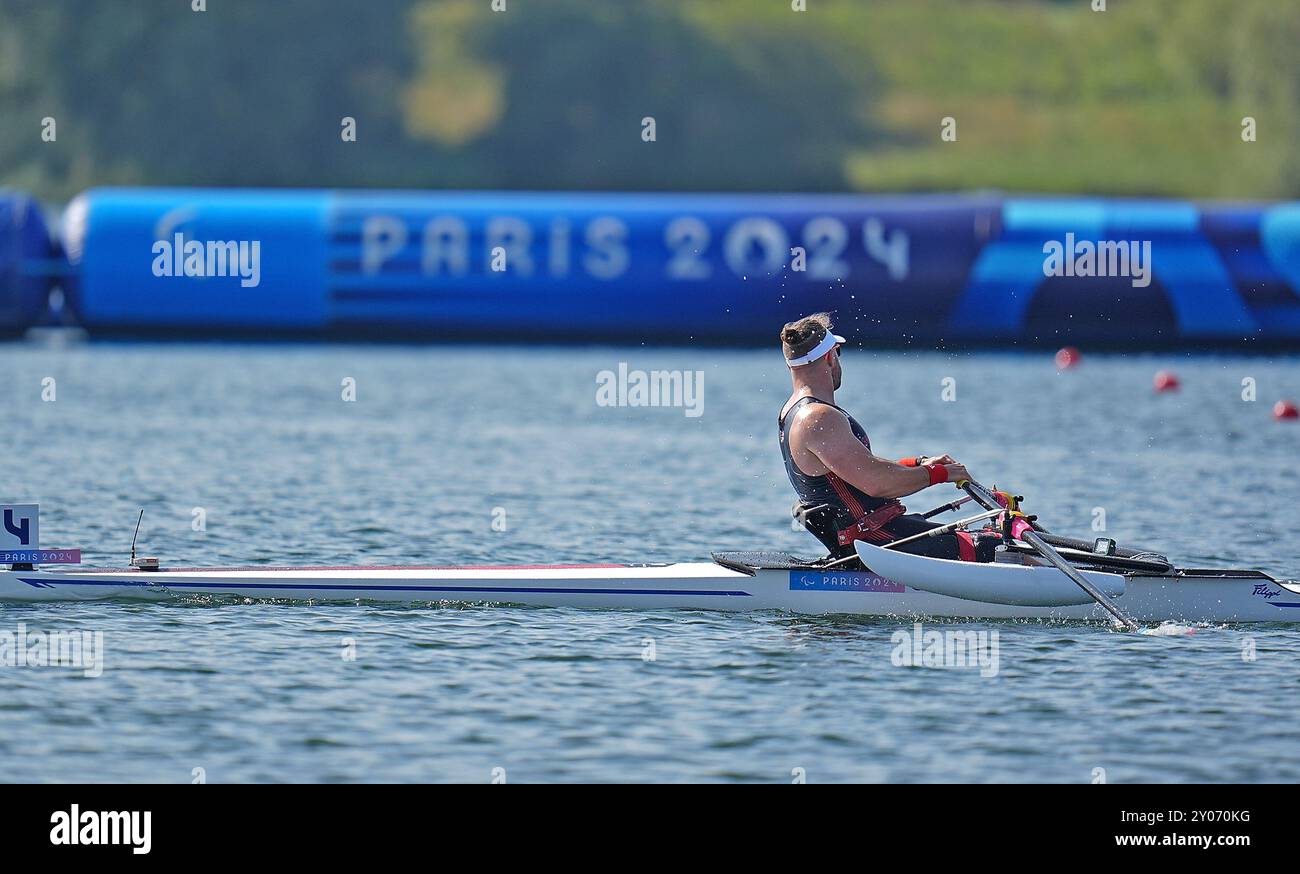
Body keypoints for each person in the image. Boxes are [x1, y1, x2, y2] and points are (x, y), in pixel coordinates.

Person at [778, 313, 996, 563]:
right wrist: (941, 474)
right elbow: (876, 483)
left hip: (872, 537)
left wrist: (919, 465)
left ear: (789, 365)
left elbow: (856, 469)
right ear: (830, 355)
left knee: (984, 538)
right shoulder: (819, 417)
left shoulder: (792, 411)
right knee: (997, 546)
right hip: (876, 542)